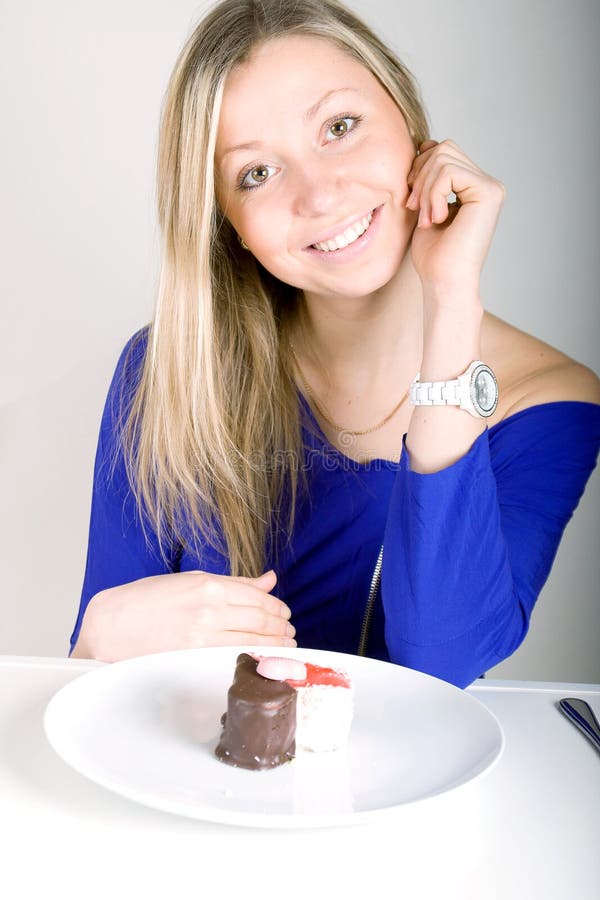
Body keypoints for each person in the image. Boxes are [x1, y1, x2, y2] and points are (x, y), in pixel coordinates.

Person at [70, 0, 600, 687]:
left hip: (403, 797)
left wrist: (451, 302)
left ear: (411, 124)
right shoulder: (166, 372)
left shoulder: (549, 403)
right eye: (256, 172)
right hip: (182, 791)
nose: (320, 195)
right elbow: (86, 689)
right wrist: (97, 640)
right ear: (229, 225)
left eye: (340, 127)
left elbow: (444, 662)